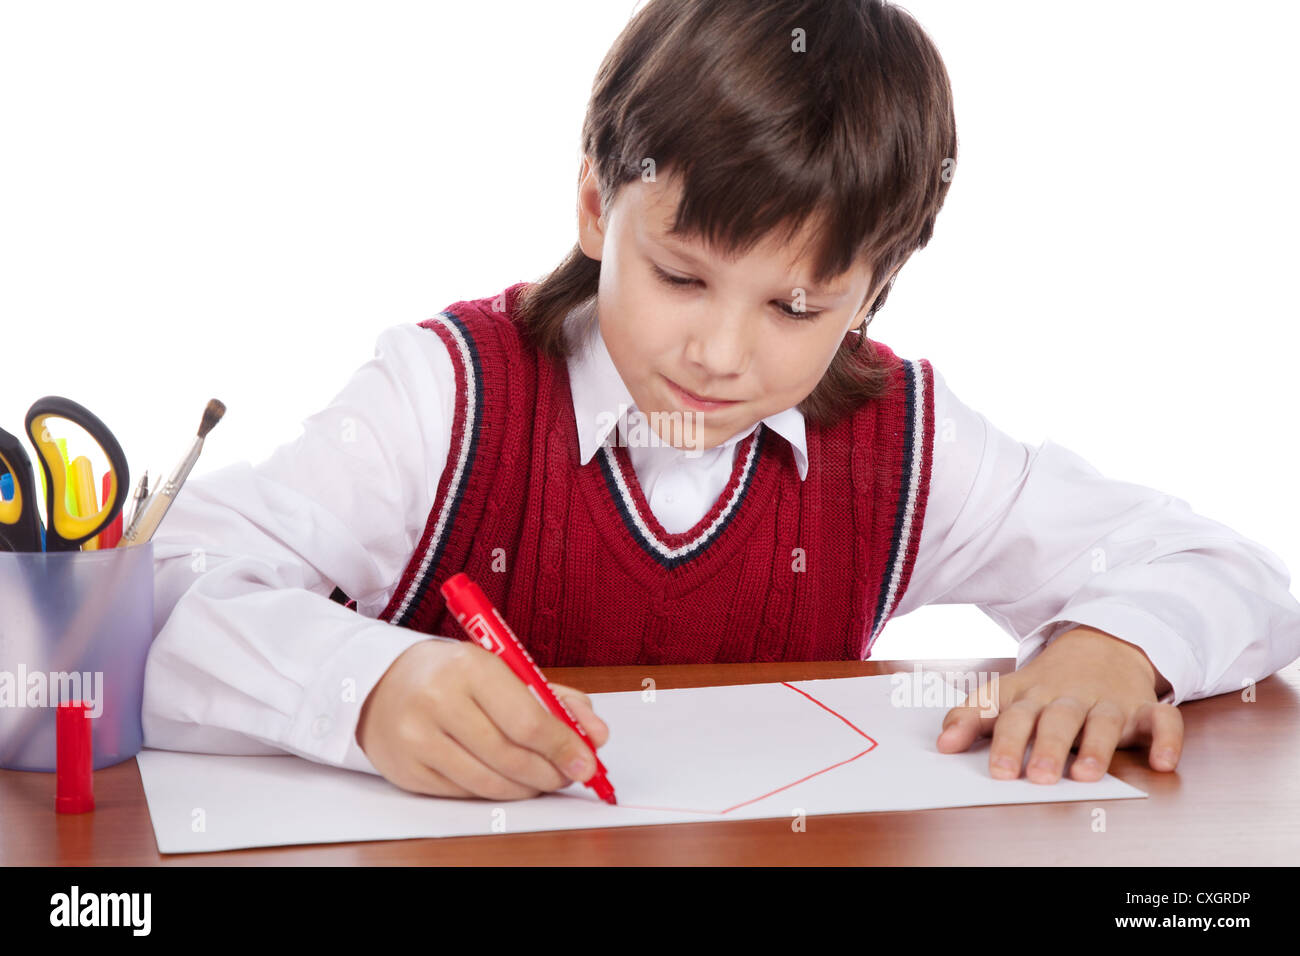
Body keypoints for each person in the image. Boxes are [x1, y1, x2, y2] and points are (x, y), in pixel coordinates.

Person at [142, 0, 1300, 802]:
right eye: (681, 276)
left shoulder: (904, 442)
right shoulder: (445, 399)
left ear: (868, 296)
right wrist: (367, 687)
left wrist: (1115, 640)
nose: (721, 353)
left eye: (796, 308)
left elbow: (1227, 567)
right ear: (598, 208)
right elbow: (154, 582)